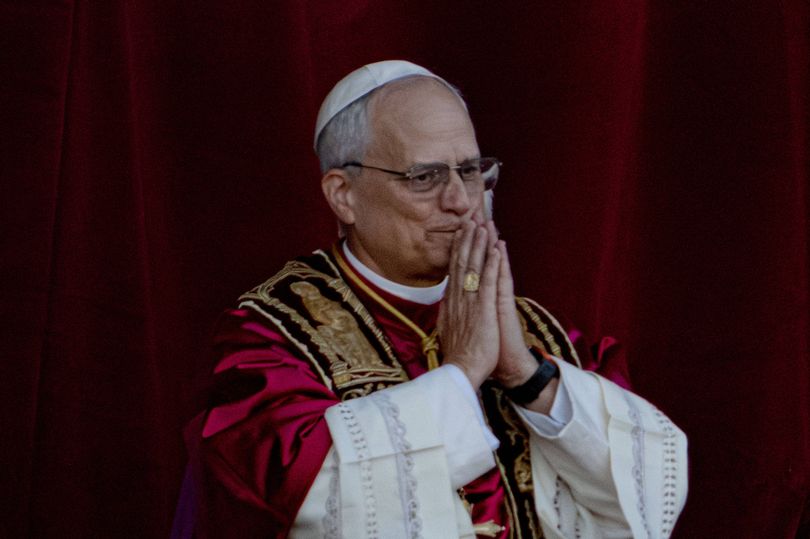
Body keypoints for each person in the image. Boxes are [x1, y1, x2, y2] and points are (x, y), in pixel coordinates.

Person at [179, 60, 688, 538]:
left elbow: (649, 493)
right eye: (425, 178)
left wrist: (527, 376)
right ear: (343, 195)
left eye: (469, 171)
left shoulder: (536, 333)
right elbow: (317, 502)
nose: (461, 201)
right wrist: (463, 373)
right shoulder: (271, 337)